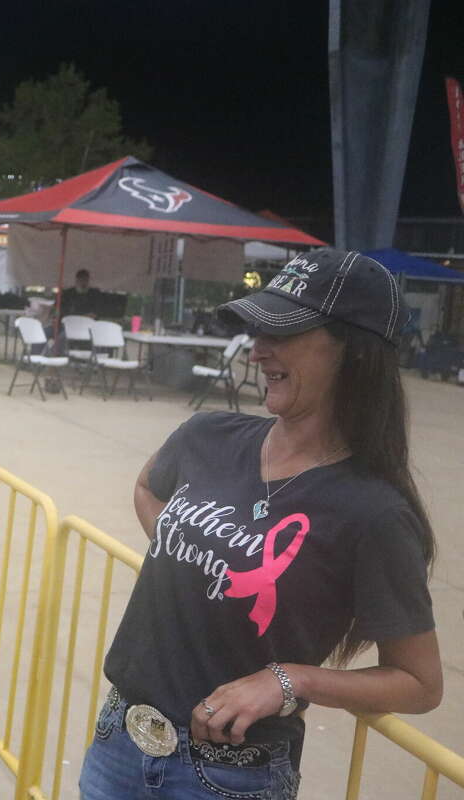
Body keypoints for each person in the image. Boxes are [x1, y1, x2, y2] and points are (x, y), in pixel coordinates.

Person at [79, 249, 441, 800]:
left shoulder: (375, 512)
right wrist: (203, 561)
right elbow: (148, 487)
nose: (257, 349)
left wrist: (289, 680)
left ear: (354, 351)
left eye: (284, 332)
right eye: (258, 331)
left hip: (229, 777)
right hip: (119, 743)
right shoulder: (206, 436)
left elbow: (419, 683)